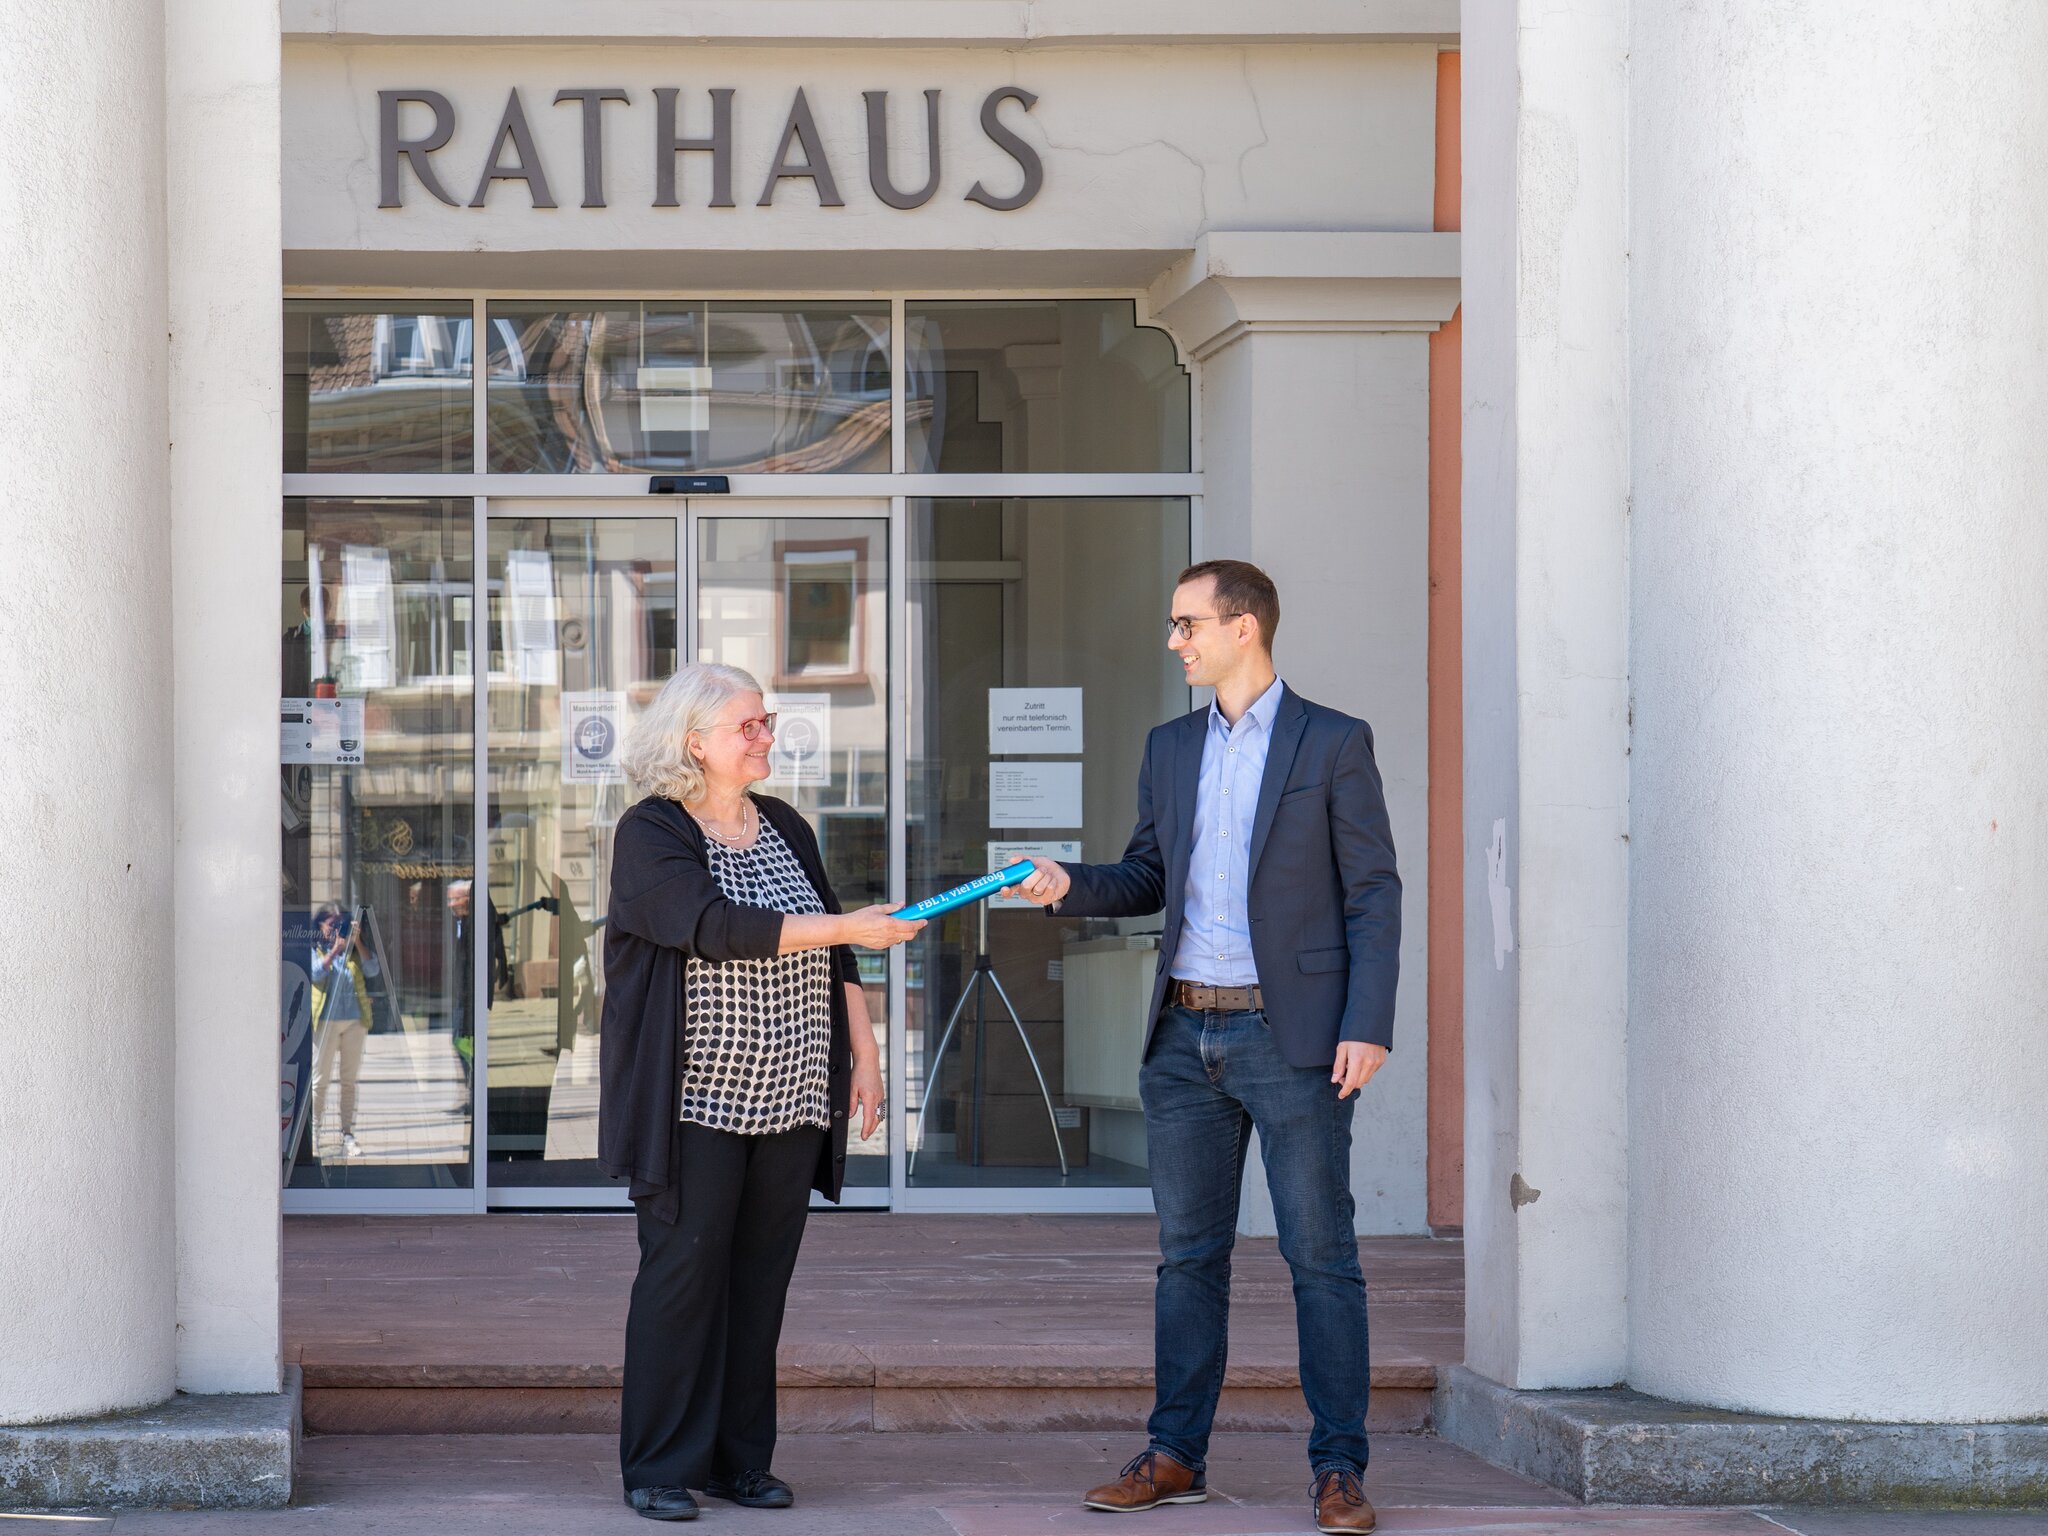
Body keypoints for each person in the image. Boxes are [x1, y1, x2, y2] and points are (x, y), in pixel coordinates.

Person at [1016, 560, 1401, 1536]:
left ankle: (1338, 1470)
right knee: (1187, 1260)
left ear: (1243, 628)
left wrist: (1366, 1021)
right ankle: (1174, 1453)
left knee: (1321, 1259)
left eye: (1186, 623)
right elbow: (1148, 875)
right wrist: (1071, 881)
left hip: (1293, 1038)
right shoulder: (1168, 747)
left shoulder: (1332, 742)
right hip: (1183, 1034)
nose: (1173, 640)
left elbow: (1372, 893)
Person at [598, 663, 923, 1522]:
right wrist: (847, 924)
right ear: (693, 741)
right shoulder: (651, 833)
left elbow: (836, 953)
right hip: (695, 1100)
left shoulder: (783, 824)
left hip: (791, 1093)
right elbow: (711, 927)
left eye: (766, 721)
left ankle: (740, 1461)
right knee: (682, 1275)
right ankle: (659, 1466)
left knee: (760, 1281)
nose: (765, 737)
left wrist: (865, 1052)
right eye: (748, 725)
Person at [309, 902, 381, 1159]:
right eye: (331, 923)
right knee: (320, 1082)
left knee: (349, 1081)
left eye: (340, 923)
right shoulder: (316, 950)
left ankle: (347, 1133)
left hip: (354, 1023)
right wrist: (332, 952)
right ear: (320, 926)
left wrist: (357, 942)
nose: (335, 928)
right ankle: (314, 1135)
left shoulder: (352, 952)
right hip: (325, 1023)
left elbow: (373, 969)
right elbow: (315, 975)